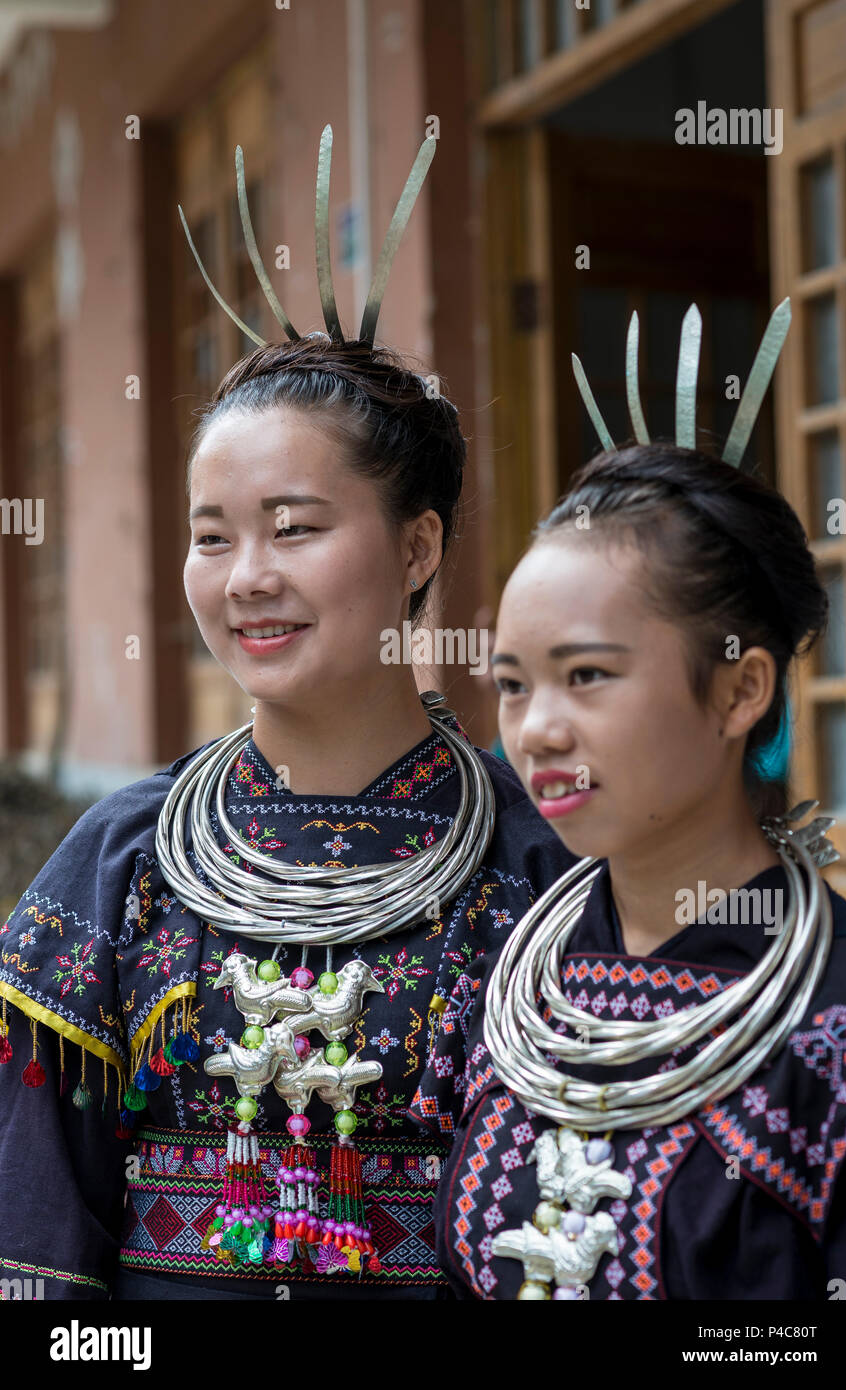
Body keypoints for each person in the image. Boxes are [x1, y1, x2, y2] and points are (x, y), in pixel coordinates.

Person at [0, 131, 575, 1302]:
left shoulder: (538, 866)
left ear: (418, 546)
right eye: (213, 536)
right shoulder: (120, 860)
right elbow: (35, 1245)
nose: (245, 575)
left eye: (295, 527)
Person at [410, 305, 846, 1300]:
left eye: (587, 677)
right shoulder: (510, 983)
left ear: (740, 690)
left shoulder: (844, 1027)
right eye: (516, 683)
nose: (536, 730)